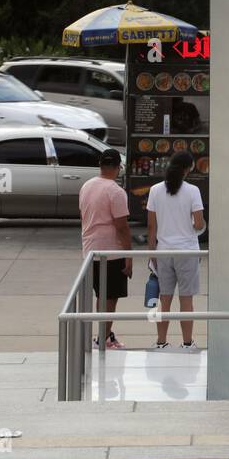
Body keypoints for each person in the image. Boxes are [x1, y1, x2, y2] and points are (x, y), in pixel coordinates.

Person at [147, 151, 206, 350]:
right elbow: (198, 224)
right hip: (187, 251)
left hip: (163, 251)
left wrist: (151, 253)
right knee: (186, 299)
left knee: (164, 299)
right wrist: (201, 224)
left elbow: (151, 228)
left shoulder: (155, 190)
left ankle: (161, 341)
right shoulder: (193, 191)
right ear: (188, 169)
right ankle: (187, 342)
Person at [79, 148, 133, 349]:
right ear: (118, 167)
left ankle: (104, 335)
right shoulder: (115, 191)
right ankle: (103, 337)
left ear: (100, 165)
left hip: (90, 250)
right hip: (111, 251)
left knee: (101, 295)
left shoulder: (86, 186)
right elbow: (122, 227)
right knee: (110, 297)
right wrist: (129, 256)